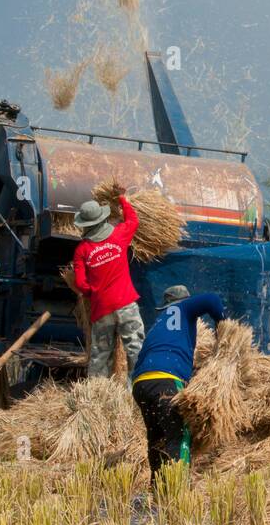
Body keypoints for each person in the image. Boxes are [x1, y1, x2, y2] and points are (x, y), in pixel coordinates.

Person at [130, 285, 225, 481]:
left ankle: (158, 488)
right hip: (166, 380)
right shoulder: (183, 308)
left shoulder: (159, 323)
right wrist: (222, 326)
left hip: (141, 384)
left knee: (156, 438)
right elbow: (212, 298)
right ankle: (177, 488)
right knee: (178, 435)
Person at [72, 195, 145, 378]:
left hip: (102, 309)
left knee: (100, 355)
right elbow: (133, 220)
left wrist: (94, 293)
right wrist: (123, 199)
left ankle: (97, 394)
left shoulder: (82, 250)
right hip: (126, 304)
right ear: (102, 218)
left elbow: (80, 283)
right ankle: (135, 390)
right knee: (135, 349)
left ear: (85, 224)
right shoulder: (119, 235)